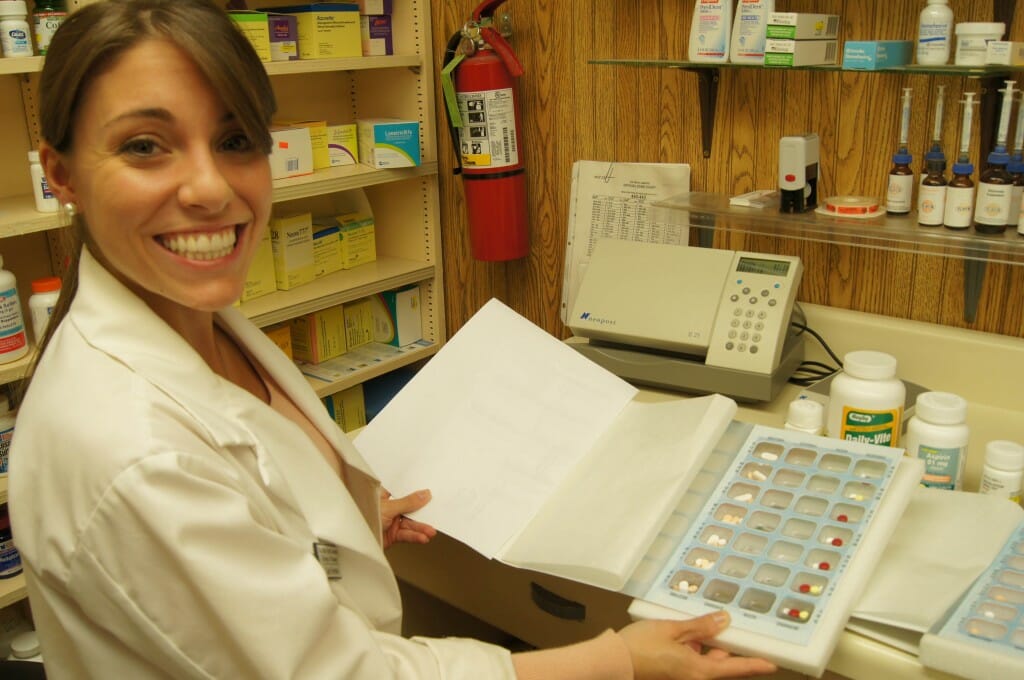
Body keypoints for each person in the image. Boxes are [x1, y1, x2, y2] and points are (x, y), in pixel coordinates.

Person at [8, 1, 778, 678]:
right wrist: (619, 662)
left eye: (237, 139)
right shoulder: (128, 448)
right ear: (61, 175)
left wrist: (336, 521)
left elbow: (239, 518)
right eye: (146, 145)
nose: (210, 188)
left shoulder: (193, 321)